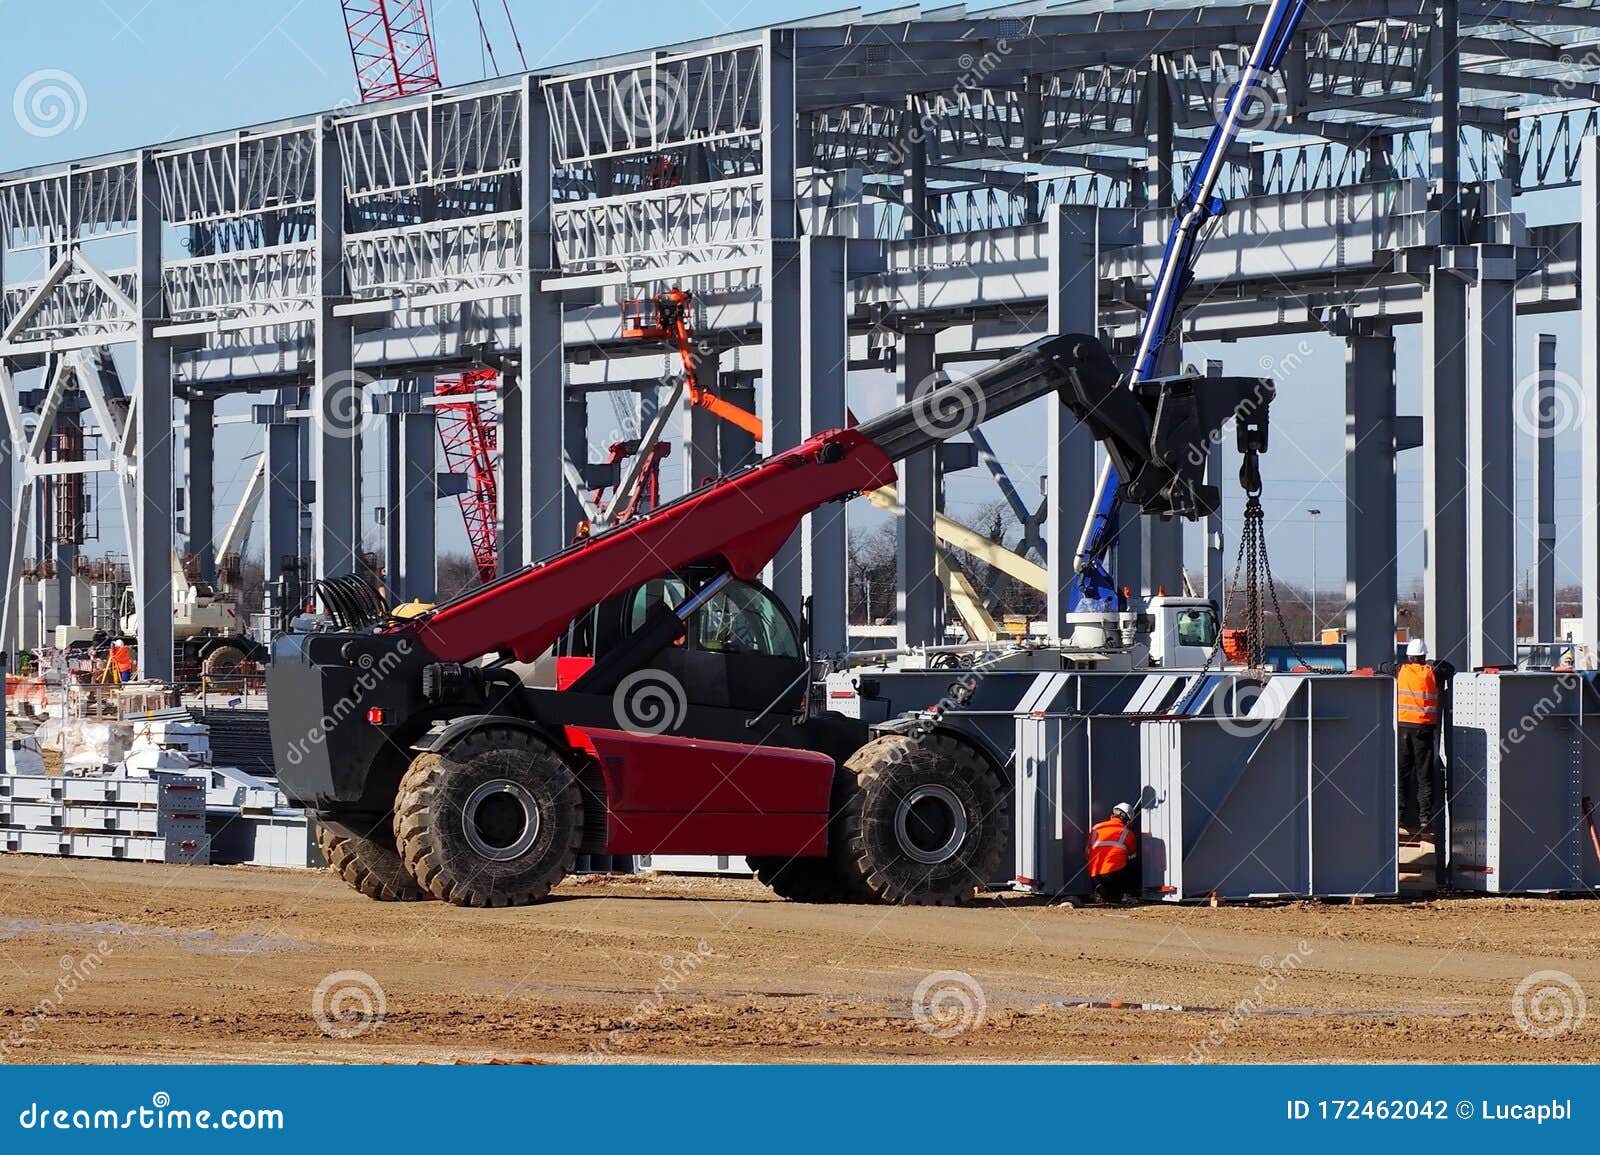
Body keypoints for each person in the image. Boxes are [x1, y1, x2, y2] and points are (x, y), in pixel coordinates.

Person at [1396, 637, 1438, 839]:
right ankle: (1424, 819)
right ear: (1424, 657)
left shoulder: (1399, 670)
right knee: (1424, 776)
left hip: (1404, 728)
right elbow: (1448, 667)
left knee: (1402, 775)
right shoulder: (1432, 671)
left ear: (1409, 657)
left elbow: (1382, 666)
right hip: (1424, 730)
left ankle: (1399, 817)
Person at [1086, 802, 1140, 904]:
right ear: (1127, 820)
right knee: (1135, 864)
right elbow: (1132, 857)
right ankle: (1128, 894)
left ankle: (1099, 891)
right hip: (1114, 876)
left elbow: (1087, 854)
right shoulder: (1128, 833)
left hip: (1095, 876)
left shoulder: (1096, 828)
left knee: (1109, 893)